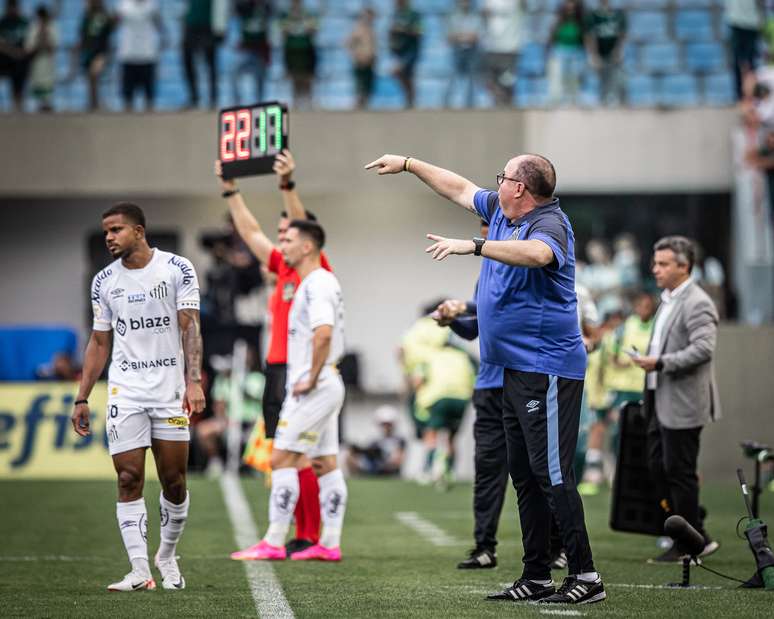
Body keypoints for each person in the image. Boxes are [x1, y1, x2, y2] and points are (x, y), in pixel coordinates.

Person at [365, 152, 605, 604]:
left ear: (521, 188)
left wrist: (472, 246)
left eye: (504, 177)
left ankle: (586, 576)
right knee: (525, 476)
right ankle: (536, 575)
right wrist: (411, 164)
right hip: (515, 371)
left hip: (547, 368)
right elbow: (457, 186)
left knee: (553, 473)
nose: (496, 184)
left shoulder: (550, 223)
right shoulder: (500, 209)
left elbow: (538, 254)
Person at [71, 202, 205, 591]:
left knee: (174, 482)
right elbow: (99, 341)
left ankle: (166, 554)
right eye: (106, 231)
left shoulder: (177, 268)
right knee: (128, 477)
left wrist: (193, 379)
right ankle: (139, 569)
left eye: (116, 230)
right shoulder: (103, 281)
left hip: (169, 391)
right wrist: (81, 397)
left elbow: (190, 327)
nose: (109, 237)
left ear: (139, 231)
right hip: (125, 390)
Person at [215, 150, 330, 554]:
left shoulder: (315, 270)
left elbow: (301, 222)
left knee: (304, 455)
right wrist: (231, 191)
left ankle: (308, 535)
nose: (279, 238)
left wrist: (287, 185)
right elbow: (249, 231)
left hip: (299, 372)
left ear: (307, 241)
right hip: (276, 367)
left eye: (287, 233)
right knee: (290, 456)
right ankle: (301, 534)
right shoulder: (283, 268)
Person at [230, 219, 348, 562]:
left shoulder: (316, 284)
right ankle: (329, 543)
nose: (282, 246)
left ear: (308, 246)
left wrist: (310, 377)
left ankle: (274, 541)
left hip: (315, 384)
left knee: (281, 457)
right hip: (325, 381)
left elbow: (323, 333)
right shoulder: (316, 282)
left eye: (290, 240)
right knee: (324, 462)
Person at [631, 236, 721, 563]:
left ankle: (689, 544)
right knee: (658, 468)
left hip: (682, 400)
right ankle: (696, 531)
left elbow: (704, 349)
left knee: (679, 471)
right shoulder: (668, 299)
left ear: (684, 266)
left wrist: (661, 363)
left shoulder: (698, 302)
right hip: (657, 396)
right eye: (655, 263)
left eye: (663, 263)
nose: (655, 269)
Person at [431, 222, 508, 570]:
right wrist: (450, 321)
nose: (486, 235)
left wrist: (462, 306)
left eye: (492, 228)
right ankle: (484, 547)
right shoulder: (487, 272)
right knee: (487, 469)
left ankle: (553, 549)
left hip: (523, 384)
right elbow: (477, 327)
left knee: (535, 473)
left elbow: (500, 314)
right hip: (489, 387)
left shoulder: (527, 268)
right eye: (482, 228)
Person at [116, 0, 164, 111]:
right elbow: (115, 23)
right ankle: (128, 123)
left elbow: (159, 24)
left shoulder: (152, 5)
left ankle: (150, 123)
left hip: (147, 53)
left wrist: (163, 38)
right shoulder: (124, 5)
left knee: (149, 96)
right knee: (127, 96)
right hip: (128, 52)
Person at [480, 0, 524, 107]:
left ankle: (508, 106)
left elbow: (524, 7)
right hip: (492, 47)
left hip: (510, 48)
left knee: (508, 81)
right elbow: (483, 15)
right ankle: (498, 104)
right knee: (491, 81)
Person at [584, 0, 626, 106]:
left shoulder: (618, 14)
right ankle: (600, 100)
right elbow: (589, 36)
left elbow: (622, 34)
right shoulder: (593, 16)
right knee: (599, 78)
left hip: (613, 53)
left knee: (616, 77)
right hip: (599, 53)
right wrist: (593, 54)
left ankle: (616, 99)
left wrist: (618, 50)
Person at [346, 405, 406, 477]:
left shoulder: (399, 441)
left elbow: (397, 461)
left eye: (388, 424)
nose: (386, 427)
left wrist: (384, 461)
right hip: (373, 469)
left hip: (390, 472)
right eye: (384, 424)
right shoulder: (375, 441)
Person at [547, 0, 586, 107]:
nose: (570, 7)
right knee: (559, 77)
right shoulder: (558, 18)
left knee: (574, 77)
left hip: (576, 51)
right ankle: (557, 100)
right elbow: (551, 35)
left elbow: (586, 36)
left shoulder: (580, 19)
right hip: (560, 50)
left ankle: (574, 100)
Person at [280, 0, 318, 110]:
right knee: (294, 76)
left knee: (307, 77)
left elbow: (313, 29)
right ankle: (296, 101)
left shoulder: (308, 14)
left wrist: (303, 28)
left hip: (306, 49)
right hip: (292, 49)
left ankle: (309, 101)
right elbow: (283, 30)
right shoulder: (286, 15)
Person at [182, 0, 220, 109]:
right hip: (191, 25)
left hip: (209, 26)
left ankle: (213, 99)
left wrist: (220, 28)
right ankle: (194, 98)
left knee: (211, 63)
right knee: (187, 60)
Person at [233, 0, 271, 105]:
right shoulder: (244, 7)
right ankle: (237, 102)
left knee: (260, 79)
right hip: (246, 49)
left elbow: (272, 11)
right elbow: (236, 7)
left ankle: (259, 102)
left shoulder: (266, 7)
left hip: (261, 50)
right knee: (235, 74)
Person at [78, 0, 114, 111]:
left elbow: (110, 29)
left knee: (94, 74)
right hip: (88, 52)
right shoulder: (86, 17)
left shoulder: (104, 16)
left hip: (101, 52)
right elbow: (82, 34)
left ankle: (95, 103)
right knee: (90, 78)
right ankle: (93, 103)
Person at [446, 0, 483, 108]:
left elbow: (476, 37)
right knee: (452, 77)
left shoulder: (475, 16)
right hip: (457, 51)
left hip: (472, 51)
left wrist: (460, 37)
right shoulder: (452, 16)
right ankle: (446, 104)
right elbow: (450, 37)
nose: (464, 3)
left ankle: (470, 105)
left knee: (472, 78)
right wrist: (465, 37)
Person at [726, 0, 764, 100]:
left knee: (751, 63)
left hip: (752, 22)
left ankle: (753, 97)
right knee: (738, 63)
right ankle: (741, 97)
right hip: (736, 21)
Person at [24, 4, 57, 112]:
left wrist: (45, 35)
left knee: (47, 89)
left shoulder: (52, 27)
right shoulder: (33, 28)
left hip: (47, 62)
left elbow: (53, 47)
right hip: (35, 62)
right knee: (36, 89)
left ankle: (47, 107)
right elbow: (29, 47)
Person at [389, 0, 422, 108]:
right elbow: (391, 31)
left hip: (412, 50)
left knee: (404, 72)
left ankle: (411, 98)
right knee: (402, 74)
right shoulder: (396, 14)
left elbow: (420, 31)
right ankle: (409, 98)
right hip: (399, 51)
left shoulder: (414, 15)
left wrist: (404, 29)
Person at [0, 0, 29, 112]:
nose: (12, 10)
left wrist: (22, 52)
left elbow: (31, 41)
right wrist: (12, 51)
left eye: (14, 7)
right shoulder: (3, 22)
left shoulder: (24, 22)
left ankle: (19, 111)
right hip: (4, 59)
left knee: (18, 90)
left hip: (20, 61)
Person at [347, 7, 376, 109]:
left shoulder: (372, 29)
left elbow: (373, 47)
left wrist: (372, 57)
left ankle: (365, 105)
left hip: (370, 61)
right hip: (360, 61)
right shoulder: (358, 29)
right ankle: (358, 104)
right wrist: (356, 55)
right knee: (360, 84)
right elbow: (348, 44)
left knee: (368, 84)